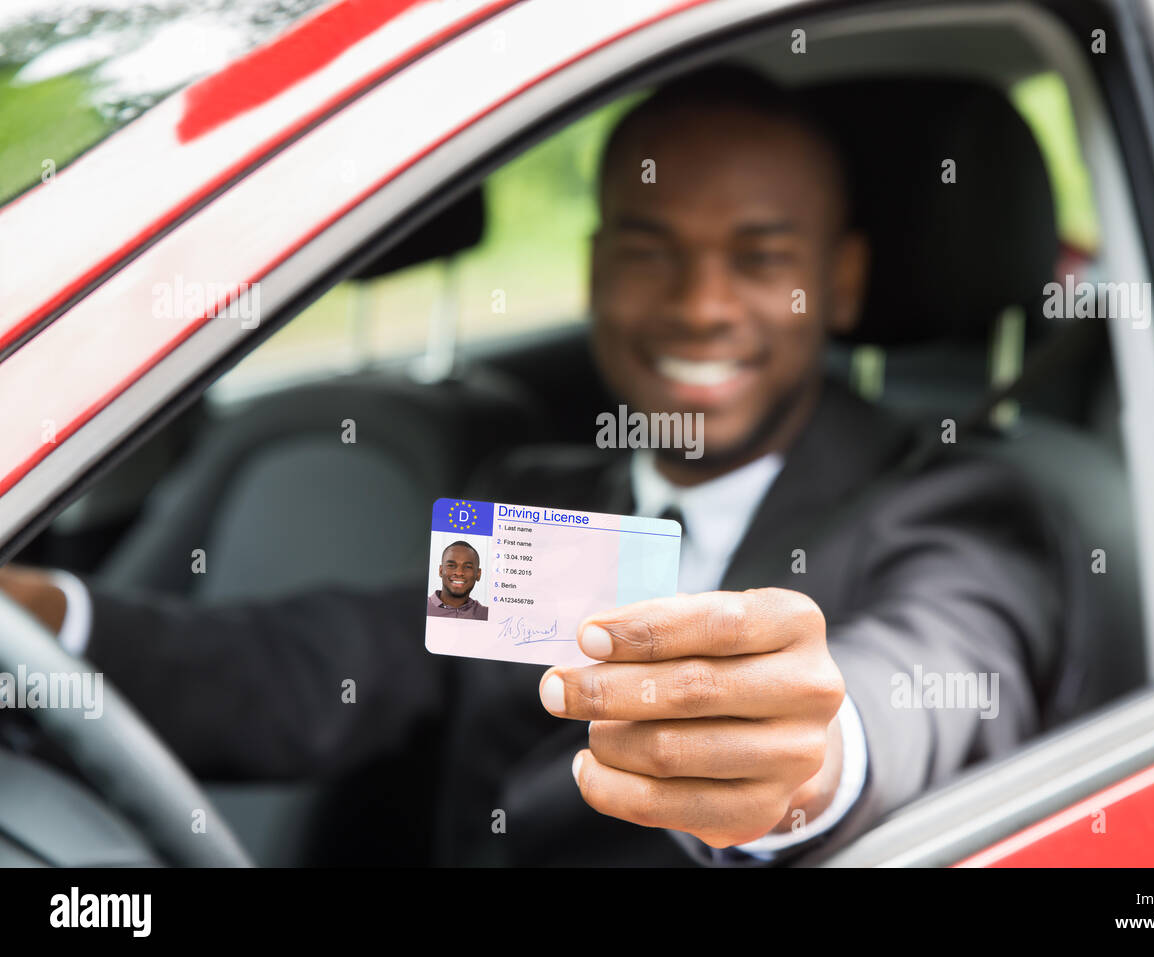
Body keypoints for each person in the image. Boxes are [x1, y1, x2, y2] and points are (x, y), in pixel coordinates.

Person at [0, 65, 1068, 865]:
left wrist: (807, 758)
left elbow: (927, 680)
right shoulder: (542, 498)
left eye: (760, 258)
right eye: (649, 250)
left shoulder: (951, 502)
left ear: (841, 282)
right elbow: (325, 668)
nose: (700, 305)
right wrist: (49, 622)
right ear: (597, 270)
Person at [427, 541, 489, 620]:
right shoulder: (419, 608)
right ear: (440, 571)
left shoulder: (488, 615)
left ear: (478, 574)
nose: (459, 573)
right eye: (451, 565)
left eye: (467, 567)